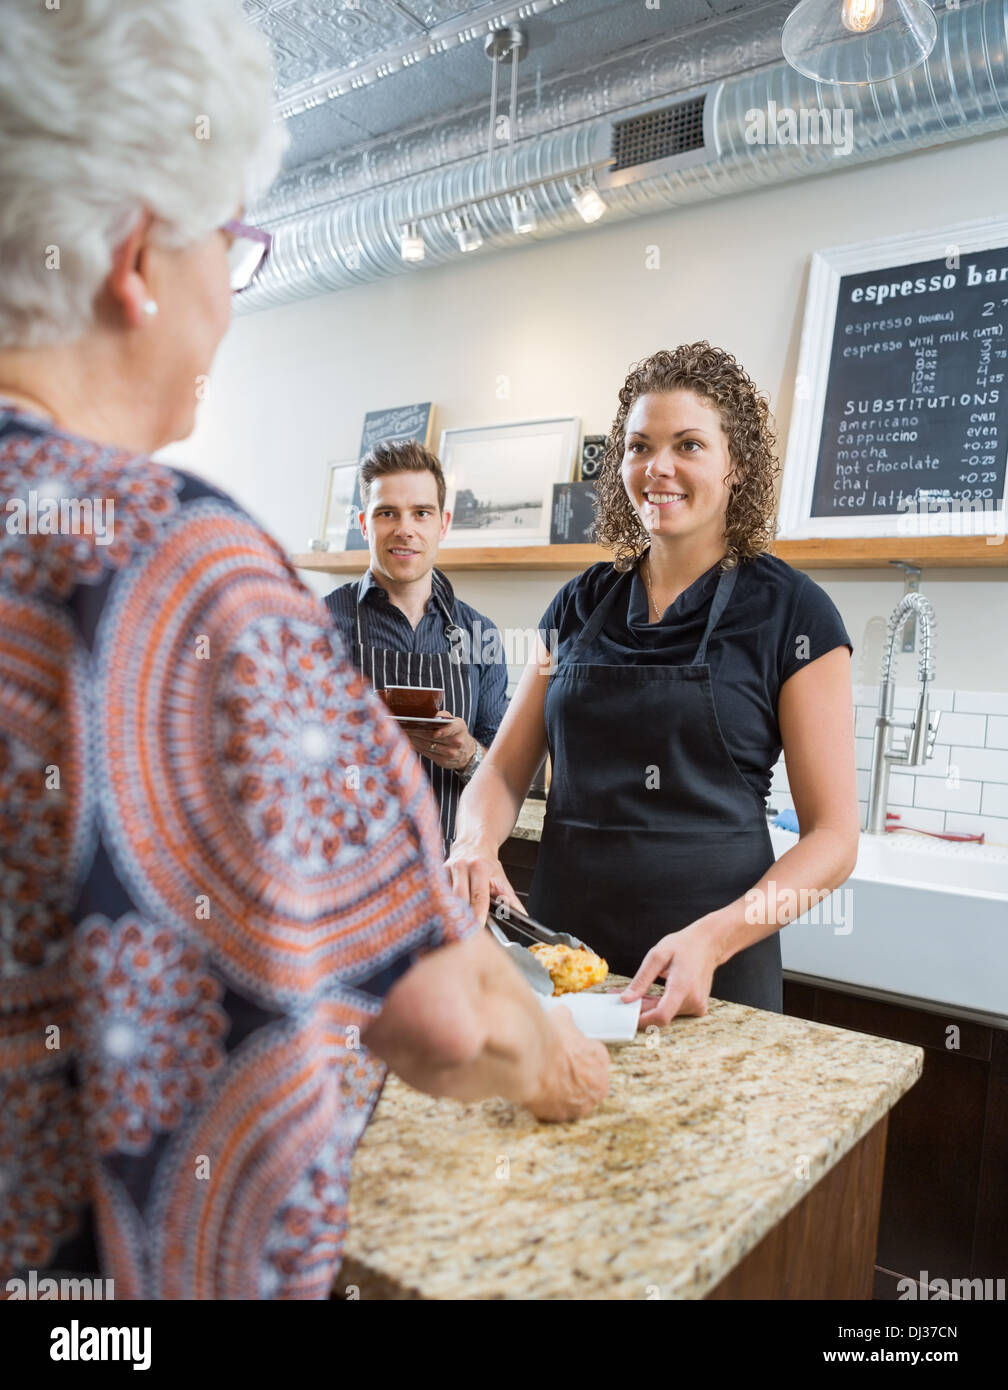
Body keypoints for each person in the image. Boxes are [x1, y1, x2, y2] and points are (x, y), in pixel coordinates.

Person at [0, 0, 608, 1301]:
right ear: (132, 260)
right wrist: (553, 1056)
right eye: (230, 238)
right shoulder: (178, 566)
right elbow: (441, 1014)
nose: (232, 287)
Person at [446, 344, 860, 1024]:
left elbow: (834, 840)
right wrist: (473, 844)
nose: (657, 467)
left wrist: (716, 936)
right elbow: (499, 775)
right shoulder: (579, 604)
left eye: (688, 445)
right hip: (559, 965)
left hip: (714, 976)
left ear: (739, 468)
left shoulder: (796, 613)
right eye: (639, 446)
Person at [324, 441, 509, 856]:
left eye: (420, 513)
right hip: (342, 876)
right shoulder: (316, 627)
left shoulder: (482, 636)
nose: (404, 529)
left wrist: (467, 755)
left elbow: (503, 779)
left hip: (444, 873)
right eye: (387, 513)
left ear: (442, 524)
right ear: (363, 524)